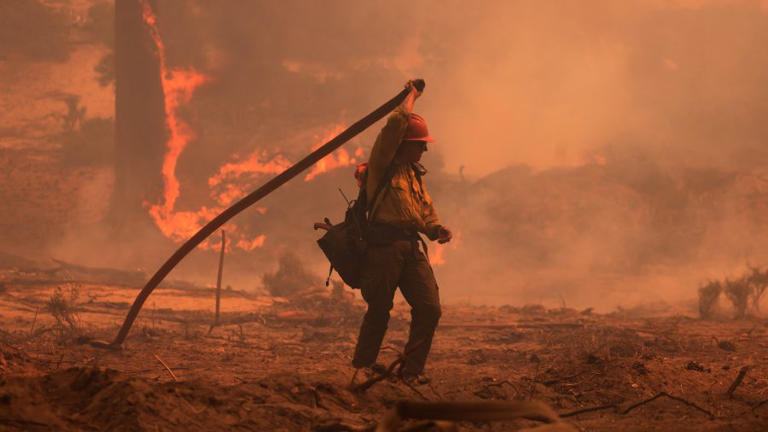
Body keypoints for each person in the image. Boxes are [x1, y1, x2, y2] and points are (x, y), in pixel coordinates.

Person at [352, 80, 452, 384]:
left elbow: (422, 209)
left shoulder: (413, 174)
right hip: (383, 248)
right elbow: (396, 123)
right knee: (380, 308)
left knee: (430, 308)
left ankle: (410, 371)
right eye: (419, 143)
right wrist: (411, 96)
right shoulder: (383, 164)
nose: (424, 148)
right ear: (402, 144)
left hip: (410, 248)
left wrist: (436, 229)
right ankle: (362, 367)